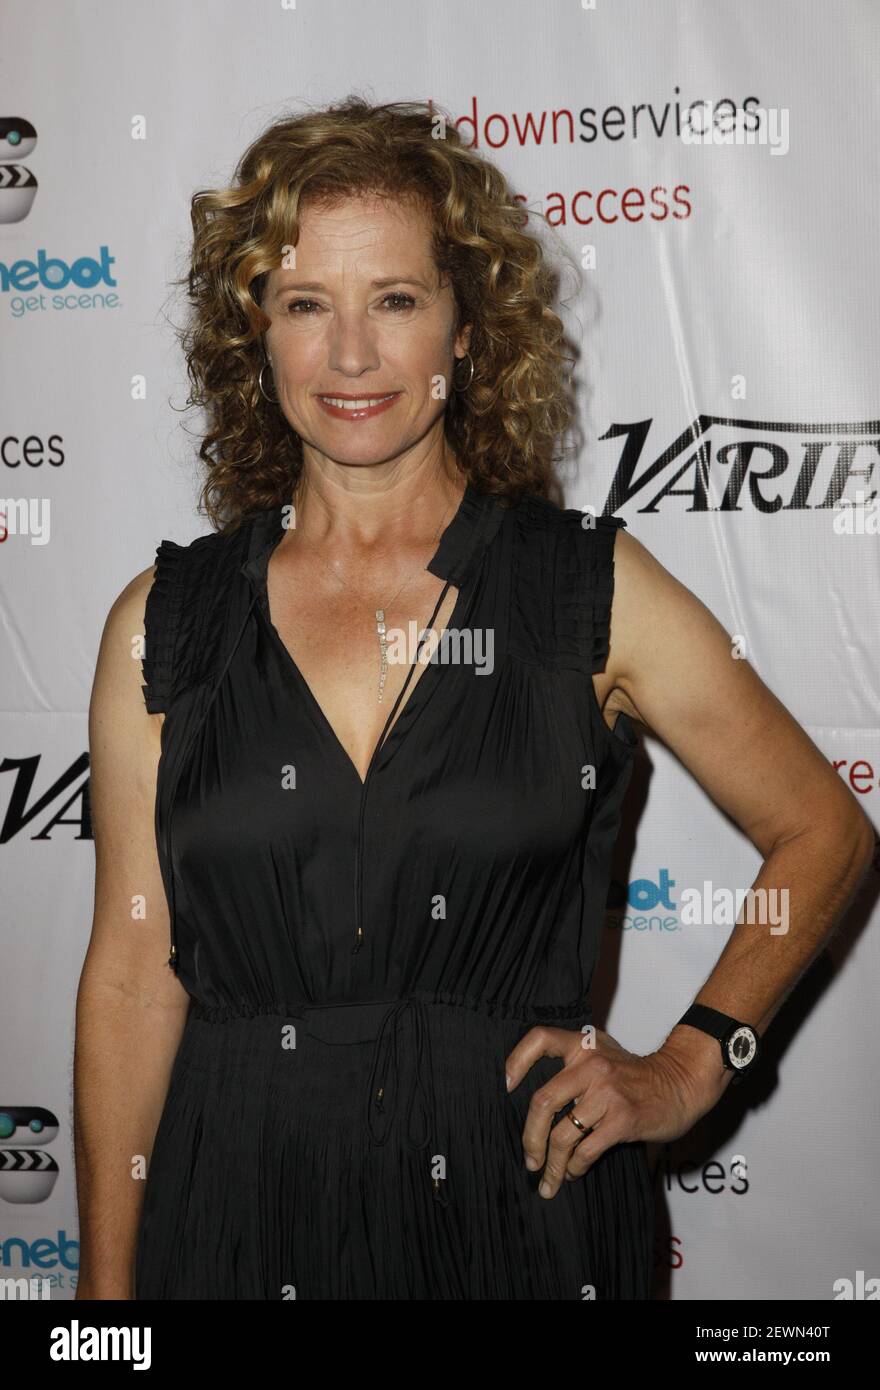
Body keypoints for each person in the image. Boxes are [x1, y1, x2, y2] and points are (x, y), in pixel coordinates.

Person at [73, 97, 874, 1301]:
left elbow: (824, 830)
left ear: (463, 327)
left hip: (520, 1223)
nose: (351, 356)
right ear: (257, 335)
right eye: (306, 305)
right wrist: (103, 1299)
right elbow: (136, 975)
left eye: (394, 300)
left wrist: (698, 1061)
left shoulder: (586, 588)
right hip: (229, 1215)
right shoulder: (165, 622)